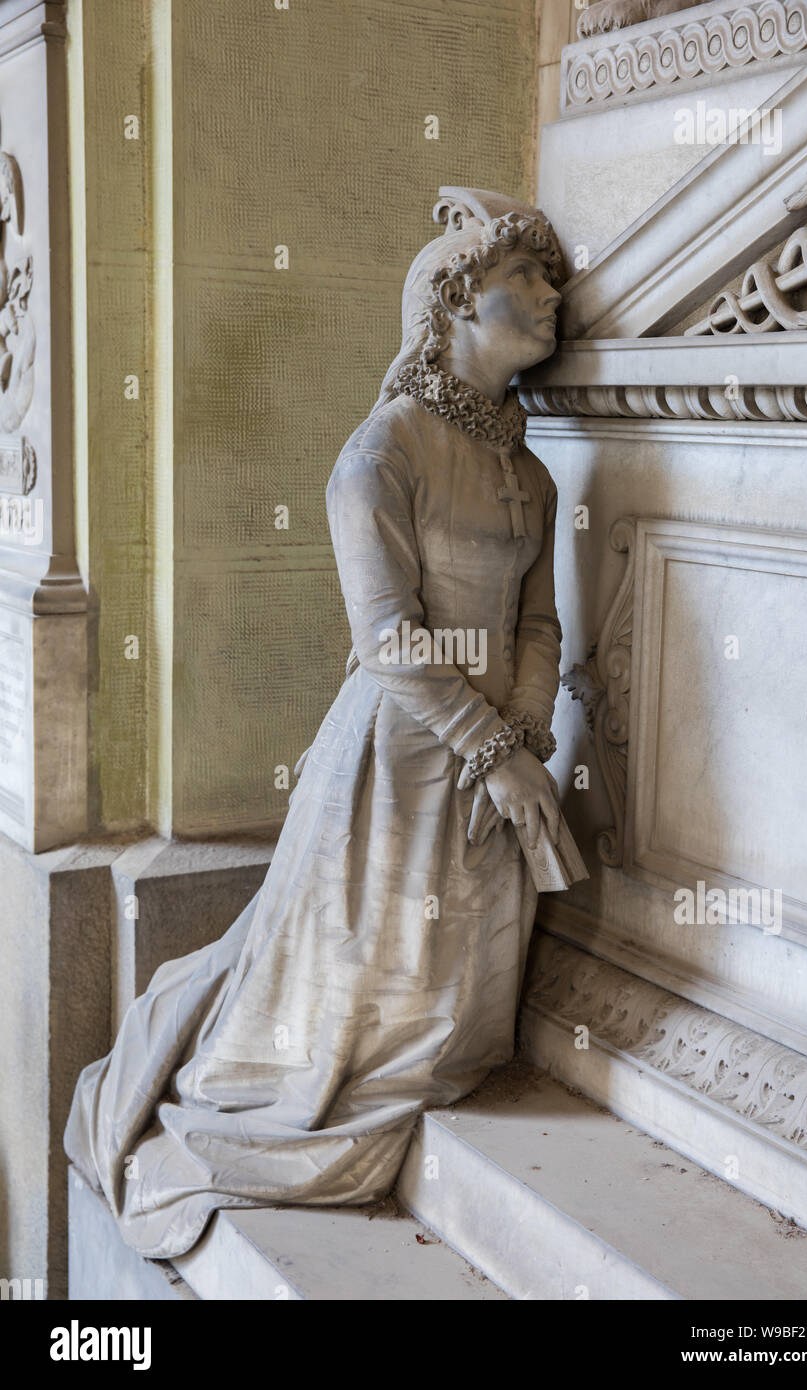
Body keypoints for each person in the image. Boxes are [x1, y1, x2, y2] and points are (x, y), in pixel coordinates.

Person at [65, 186, 569, 1260]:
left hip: (492, 768)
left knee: (444, 1041)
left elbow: (540, 623)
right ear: (454, 304)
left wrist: (524, 739)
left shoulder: (528, 472)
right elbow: (389, 640)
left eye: (551, 278)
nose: (548, 294)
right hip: (401, 753)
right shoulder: (378, 453)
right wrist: (487, 749)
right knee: (341, 1038)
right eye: (522, 279)